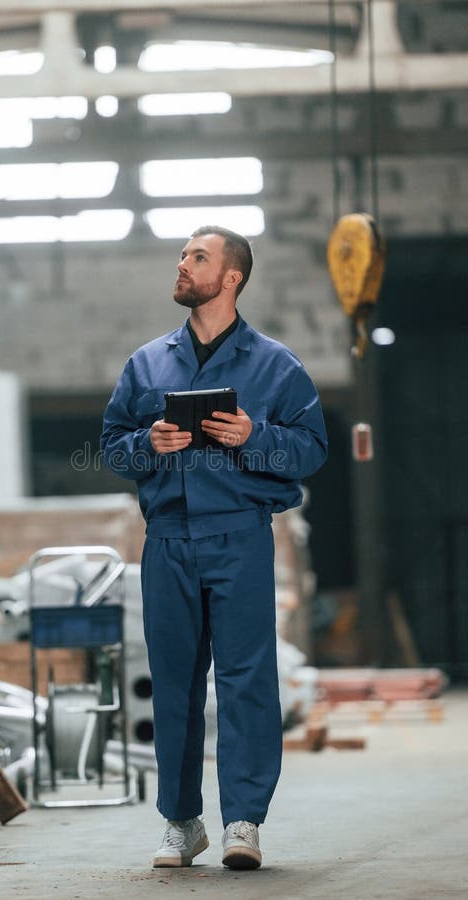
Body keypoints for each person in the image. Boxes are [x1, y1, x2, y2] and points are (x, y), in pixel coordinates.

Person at [101, 225, 327, 870]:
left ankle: (243, 822)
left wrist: (255, 436)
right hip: (168, 542)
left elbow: (312, 449)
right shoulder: (146, 363)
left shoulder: (275, 365)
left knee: (246, 682)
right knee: (174, 683)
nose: (182, 264)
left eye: (197, 257)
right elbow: (112, 445)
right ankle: (181, 822)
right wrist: (150, 445)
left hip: (240, 537)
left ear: (231, 278)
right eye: (181, 255)